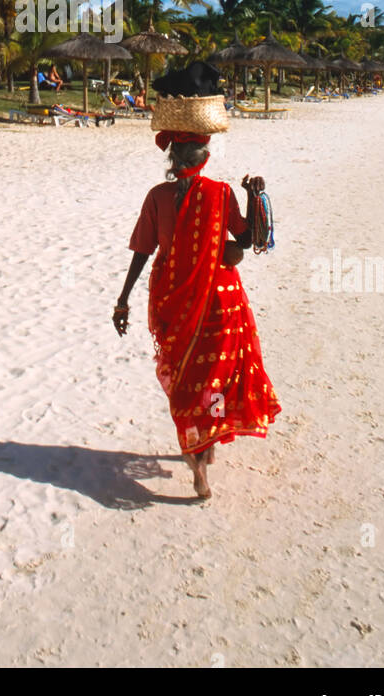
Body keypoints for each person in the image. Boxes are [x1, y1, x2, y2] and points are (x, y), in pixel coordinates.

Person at [113, 122, 281, 499]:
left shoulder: (157, 196)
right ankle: (209, 444)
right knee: (216, 378)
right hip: (220, 300)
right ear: (205, 158)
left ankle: (198, 457)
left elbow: (143, 251)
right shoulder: (221, 194)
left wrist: (122, 299)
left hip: (174, 300)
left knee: (189, 381)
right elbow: (249, 239)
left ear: (172, 159)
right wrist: (255, 197)